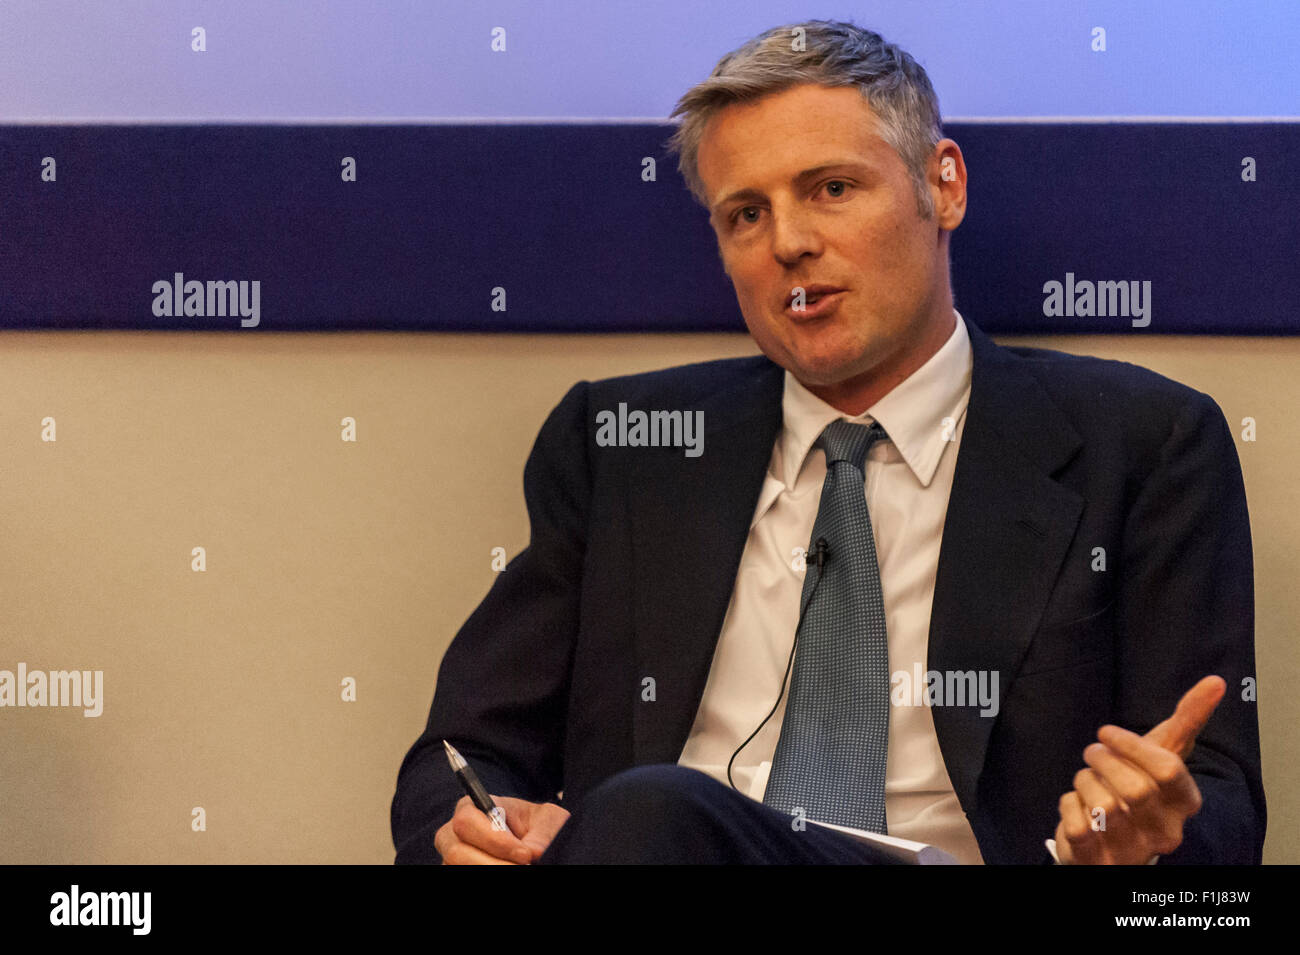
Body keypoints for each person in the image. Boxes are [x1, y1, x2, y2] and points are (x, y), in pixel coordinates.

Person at [391, 19, 1264, 864]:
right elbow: (458, 754)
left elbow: (1215, 798)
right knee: (653, 812)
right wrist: (474, 831)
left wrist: (1138, 849)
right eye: (746, 215)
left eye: (831, 189)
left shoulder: (1144, 445)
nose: (791, 244)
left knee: (653, 806)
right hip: (671, 846)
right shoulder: (623, 449)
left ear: (944, 185)